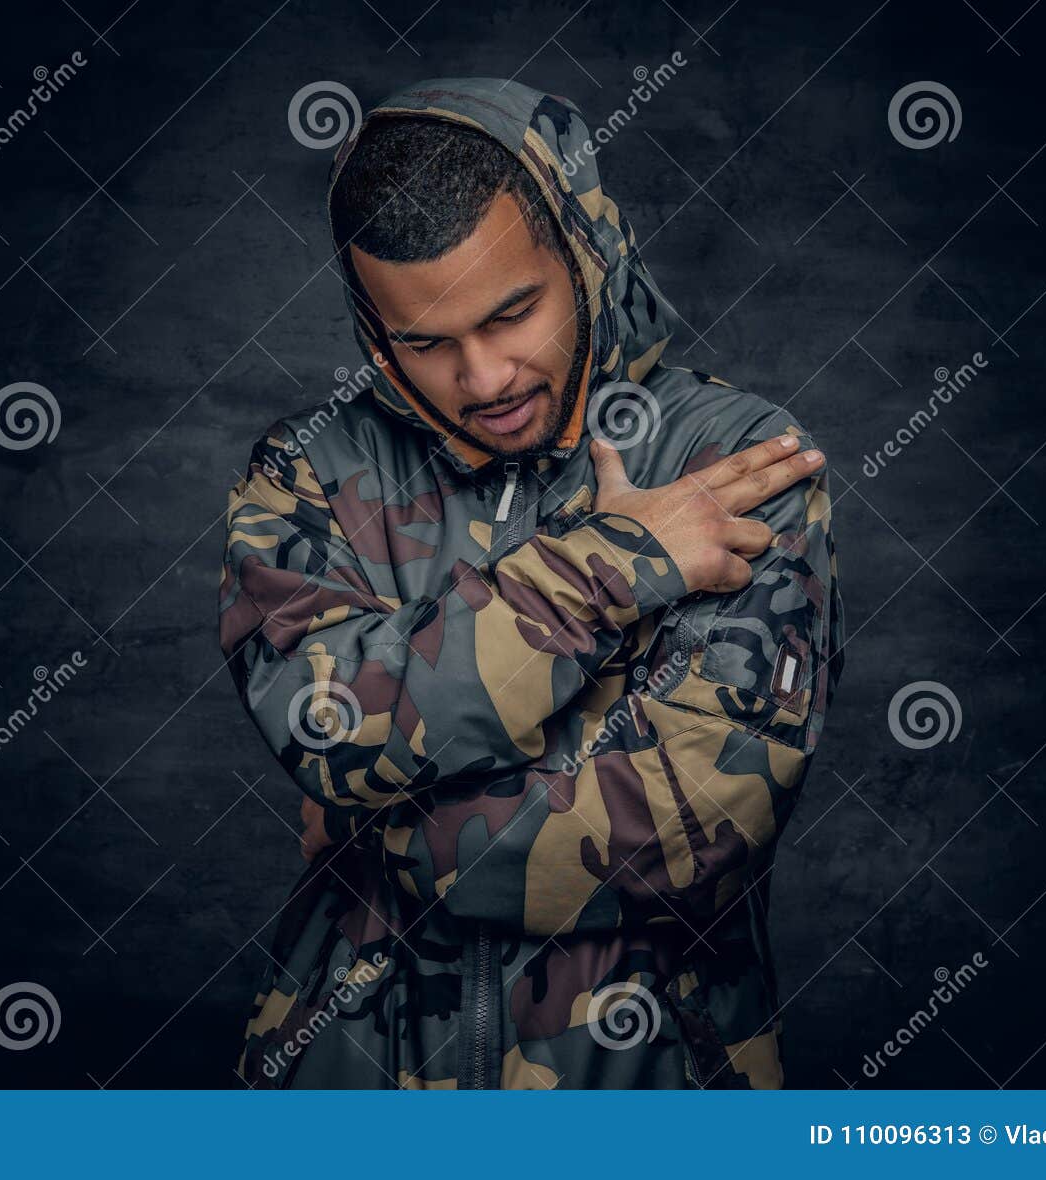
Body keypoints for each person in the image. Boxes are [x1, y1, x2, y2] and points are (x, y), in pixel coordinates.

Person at [217, 76, 846, 1088]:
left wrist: (367, 822)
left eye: (514, 314)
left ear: (584, 253)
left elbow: (678, 838)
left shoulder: (733, 466)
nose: (484, 377)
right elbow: (323, 728)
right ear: (374, 328)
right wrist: (611, 567)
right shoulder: (305, 474)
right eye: (426, 342)